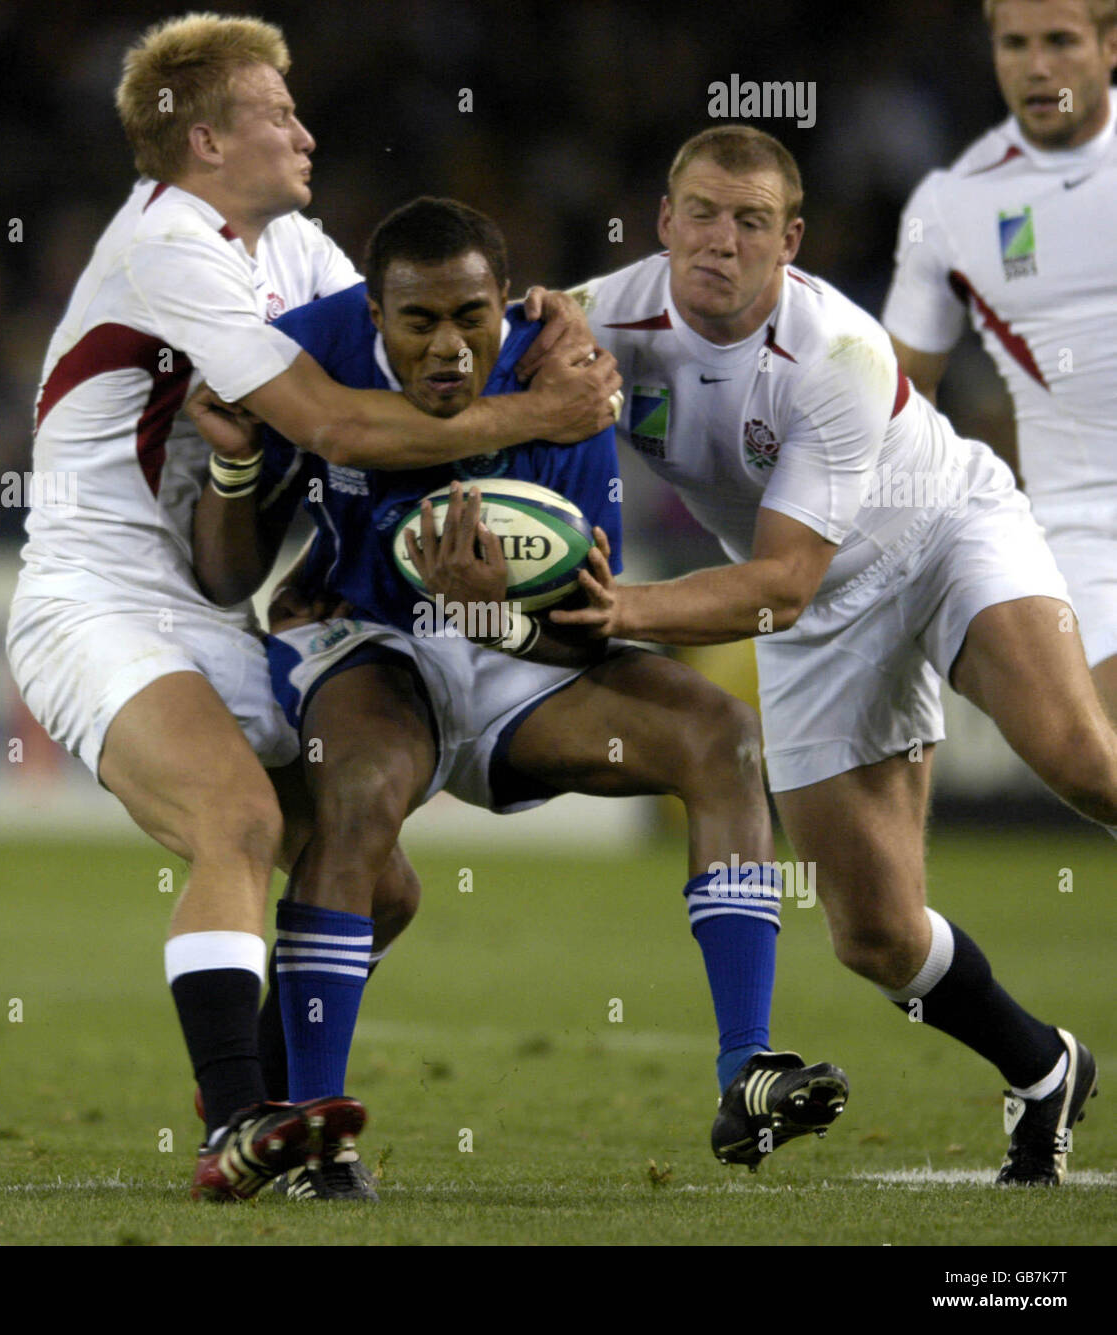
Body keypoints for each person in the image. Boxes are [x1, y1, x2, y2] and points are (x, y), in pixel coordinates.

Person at [4, 12, 618, 1203]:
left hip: (213, 610)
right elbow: (335, 423)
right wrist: (537, 417)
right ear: (203, 139)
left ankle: (256, 1084)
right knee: (234, 822)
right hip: (98, 597)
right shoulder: (171, 246)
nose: (305, 128)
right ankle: (239, 1124)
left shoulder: (293, 249)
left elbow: (430, 327)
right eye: (276, 111)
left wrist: (557, 315)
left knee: (377, 880)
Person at [190, 196, 848, 1200]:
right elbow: (227, 575)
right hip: (365, 635)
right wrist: (238, 467)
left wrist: (505, 618)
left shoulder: (569, 375)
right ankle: (313, 1142)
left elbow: (590, 617)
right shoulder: (305, 353)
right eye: (419, 322)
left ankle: (744, 1073)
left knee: (722, 736)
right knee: (362, 793)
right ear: (373, 313)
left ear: (509, 303)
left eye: (472, 316)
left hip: (520, 657)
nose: (449, 347)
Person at [555, 124, 1116, 1185]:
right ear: (665, 220)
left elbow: (776, 584)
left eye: (751, 222)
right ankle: (1045, 1069)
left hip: (941, 533)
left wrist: (613, 608)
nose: (721, 241)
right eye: (703, 215)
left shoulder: (838, 353)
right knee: (874, 937)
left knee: (1085, 765)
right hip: (818, 612)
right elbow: (463, 353)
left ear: (789, 240)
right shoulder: (593, 321)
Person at [884, 0, 1117, 721]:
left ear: (1111, 45)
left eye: (1060, 41)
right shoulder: (953, 207)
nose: (1037, 67)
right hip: (1084, 532)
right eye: (1014, 44)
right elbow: (894, 405)